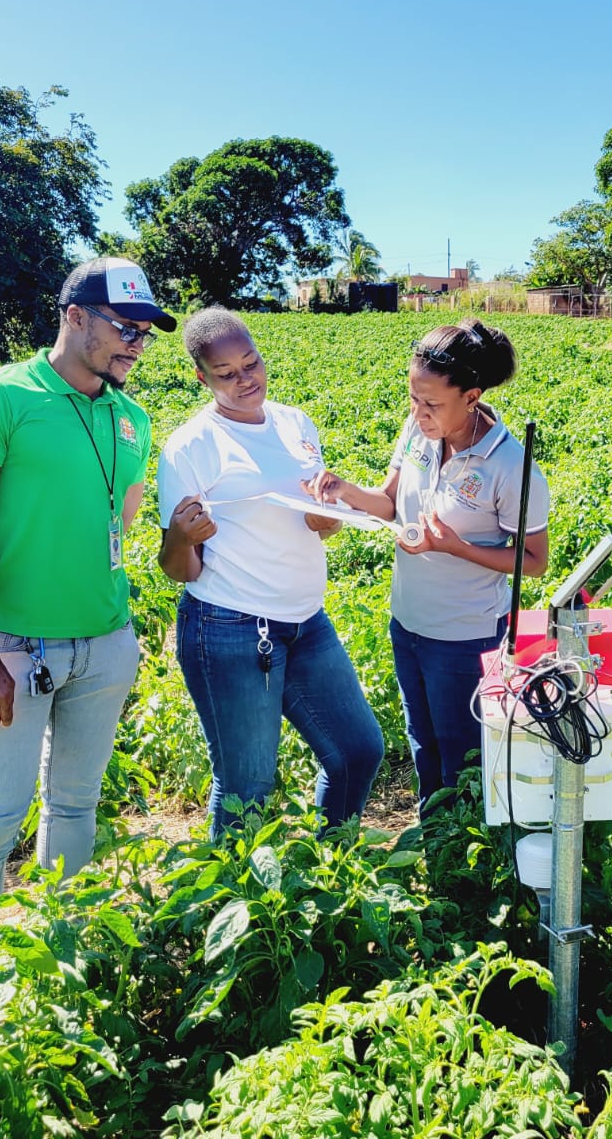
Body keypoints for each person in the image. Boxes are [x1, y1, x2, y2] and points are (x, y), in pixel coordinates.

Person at [0, 256, 175, 918]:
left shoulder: (131, 418)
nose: (137, 343)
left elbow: (118, 521)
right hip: (15, 648)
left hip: (106, 644)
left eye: (146, 332)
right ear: (74, 317)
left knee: (75, 806)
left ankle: (61, 940)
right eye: (125, 327)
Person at [157, 308, 383, 839]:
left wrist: (327, 518)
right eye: (226, 373)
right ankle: (239, 904)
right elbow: (178, 570)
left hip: (306, 622)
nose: (244, 380)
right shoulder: (190, 445)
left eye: (251, 363)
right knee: (247, 785)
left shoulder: (294, 423)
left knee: (358, 750)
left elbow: (316, 525)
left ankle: (331, 866)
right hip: (229, 628)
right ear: (202, 377)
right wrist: (181, 536)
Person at [309, 319, 550, 814]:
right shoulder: (417, 433)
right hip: (408, 622)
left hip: (466, 635)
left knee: (462, 754)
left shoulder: (510, 466)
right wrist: (345, 491)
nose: (419, 414)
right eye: (414, 400)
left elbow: (535, 562)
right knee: (423, 742)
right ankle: (434, 838)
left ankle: (463, 854)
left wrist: (457, 548)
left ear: (472, 395)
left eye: (432, 404)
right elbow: (389, 501)